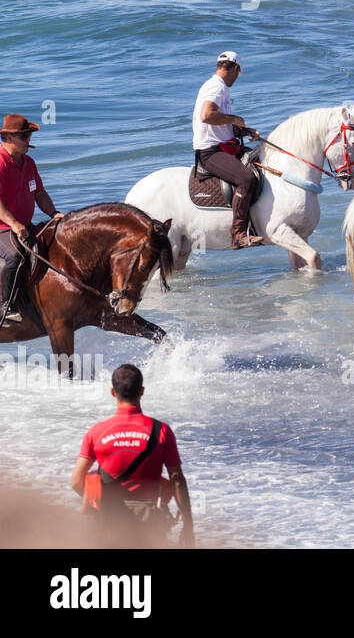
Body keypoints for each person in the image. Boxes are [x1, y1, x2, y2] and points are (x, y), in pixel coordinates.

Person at [71, 364, 194, 547]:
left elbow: (76, 482)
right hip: (148, 525)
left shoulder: (96, 432)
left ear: (113, 392)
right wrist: (188, 525)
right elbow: (177, 481)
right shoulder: (161, 431)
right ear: (142, 391)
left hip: (109, 522)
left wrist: (99, 502)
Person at [192, 51, 262, 248]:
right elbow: (206, 116)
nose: (237, 79)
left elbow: (216, 123)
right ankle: (238, 234)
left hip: (222, 145)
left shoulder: (218, 87)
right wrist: (234, 119)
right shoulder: (216, 87)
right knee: (246, 178)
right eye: (238, 74)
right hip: (210, 152)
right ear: (236, 69)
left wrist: (242, 130)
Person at [0, 114, 61, 325]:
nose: (28, 140)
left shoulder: (29, 162)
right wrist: (14, 224)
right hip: (2, 227)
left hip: (24, 225)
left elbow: (40, 194)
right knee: (15, 256)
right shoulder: (0, 163)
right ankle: (5, 307)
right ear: (8, 137)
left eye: (29, 135)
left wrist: (54, 214)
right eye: (24, 136)